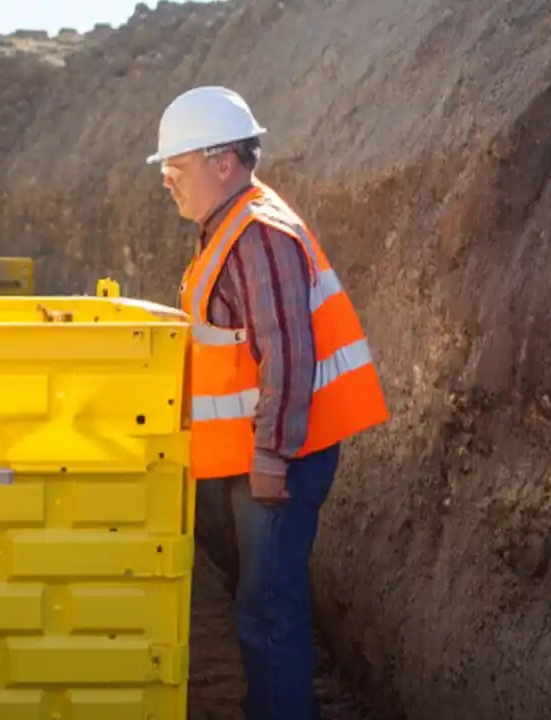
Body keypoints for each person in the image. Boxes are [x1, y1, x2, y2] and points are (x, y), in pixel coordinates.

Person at [147, 86, 389, 719]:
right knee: (257, 603)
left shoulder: (259, 235)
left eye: (178, 168)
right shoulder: (225, 227)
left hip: (280, 455)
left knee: (269, 609)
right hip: (250, 455)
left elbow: (288, 354)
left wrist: (272, 457)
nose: (169, 181)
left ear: (223, 162)